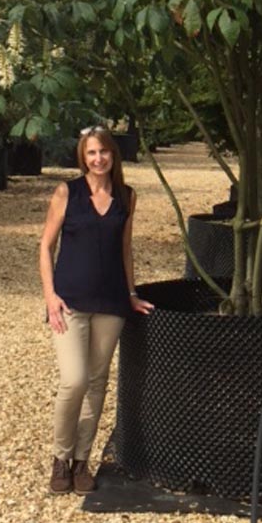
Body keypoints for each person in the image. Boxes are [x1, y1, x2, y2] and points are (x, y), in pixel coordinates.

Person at [39, 125, 154, 495]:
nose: (98, 158)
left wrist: (131, 293)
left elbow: (125, 249)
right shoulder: (66, 193)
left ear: (113, 155)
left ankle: (81, 461)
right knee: (73, 379)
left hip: (111, 304)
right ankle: (60, 456)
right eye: (91, 153)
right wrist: (50, 296)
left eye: (103, 152)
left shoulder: (127, 196)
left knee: (96, 383)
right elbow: (45, 247)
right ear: (82, 157)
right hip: (70, 302)